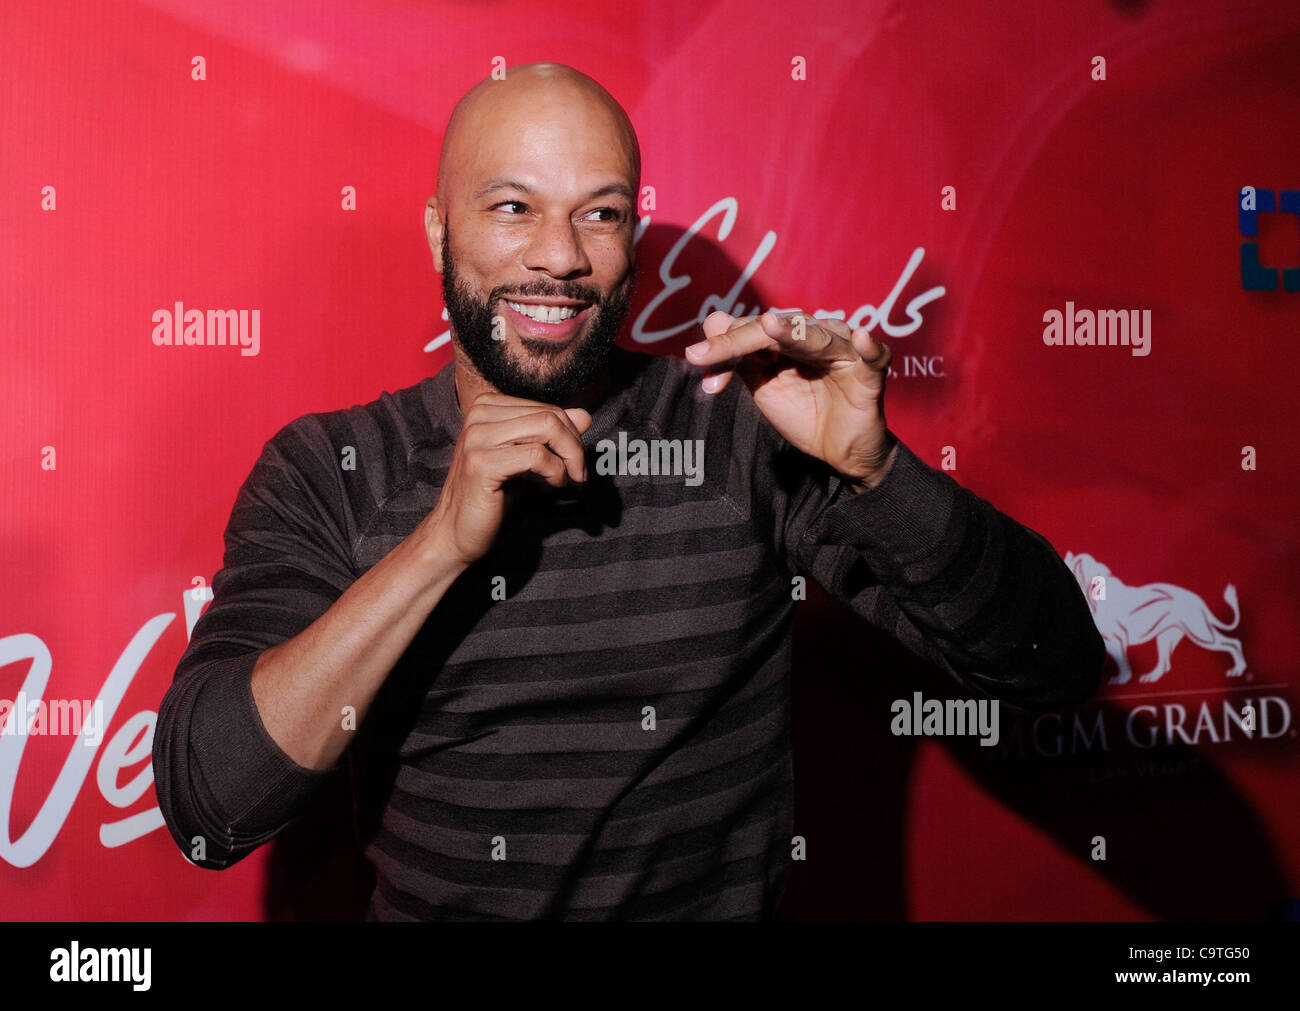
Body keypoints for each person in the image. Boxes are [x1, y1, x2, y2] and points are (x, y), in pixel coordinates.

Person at [153, 62, 1104, 921]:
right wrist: (438, 544)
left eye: (599, 213)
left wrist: (876, 472)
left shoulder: (739, 427)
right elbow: (212, 808)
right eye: (514, 208)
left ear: (633, 240)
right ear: (440, 232)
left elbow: (1051, 667)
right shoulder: (330, 468)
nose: (560, 257)